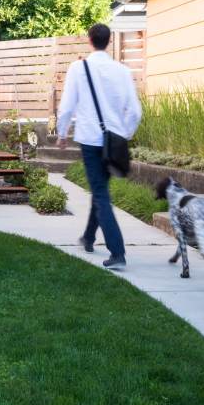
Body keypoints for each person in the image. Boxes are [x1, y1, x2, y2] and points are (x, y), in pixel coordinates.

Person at [55, 22, 143, 269]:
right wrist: (124, 134)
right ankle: (88, 238)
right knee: (100, 189)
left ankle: (118, 253)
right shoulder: (122, 71)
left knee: (101, 193)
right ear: (109, 41)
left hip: (90, 141)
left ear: (89, 41)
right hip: (114, 143)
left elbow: (66, 106)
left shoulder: (78, 68)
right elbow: (135, 111)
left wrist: (62, 133)